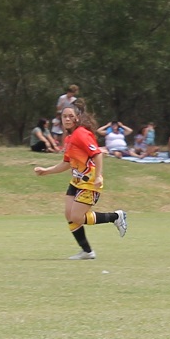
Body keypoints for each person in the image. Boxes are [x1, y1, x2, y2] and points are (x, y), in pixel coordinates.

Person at [35, 104, 127, 259]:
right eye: (64, 116)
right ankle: (87, 251)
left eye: (71, 116)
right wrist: (47, 171)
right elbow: (66, 163)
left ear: (77, 118)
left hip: (89, 181)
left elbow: (97, 154)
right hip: (76, 181)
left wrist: (98, 176)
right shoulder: (69, 138)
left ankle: (116, 217)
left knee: (77, 217)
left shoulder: (81, 134)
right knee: (69, 216)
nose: (67, 119)